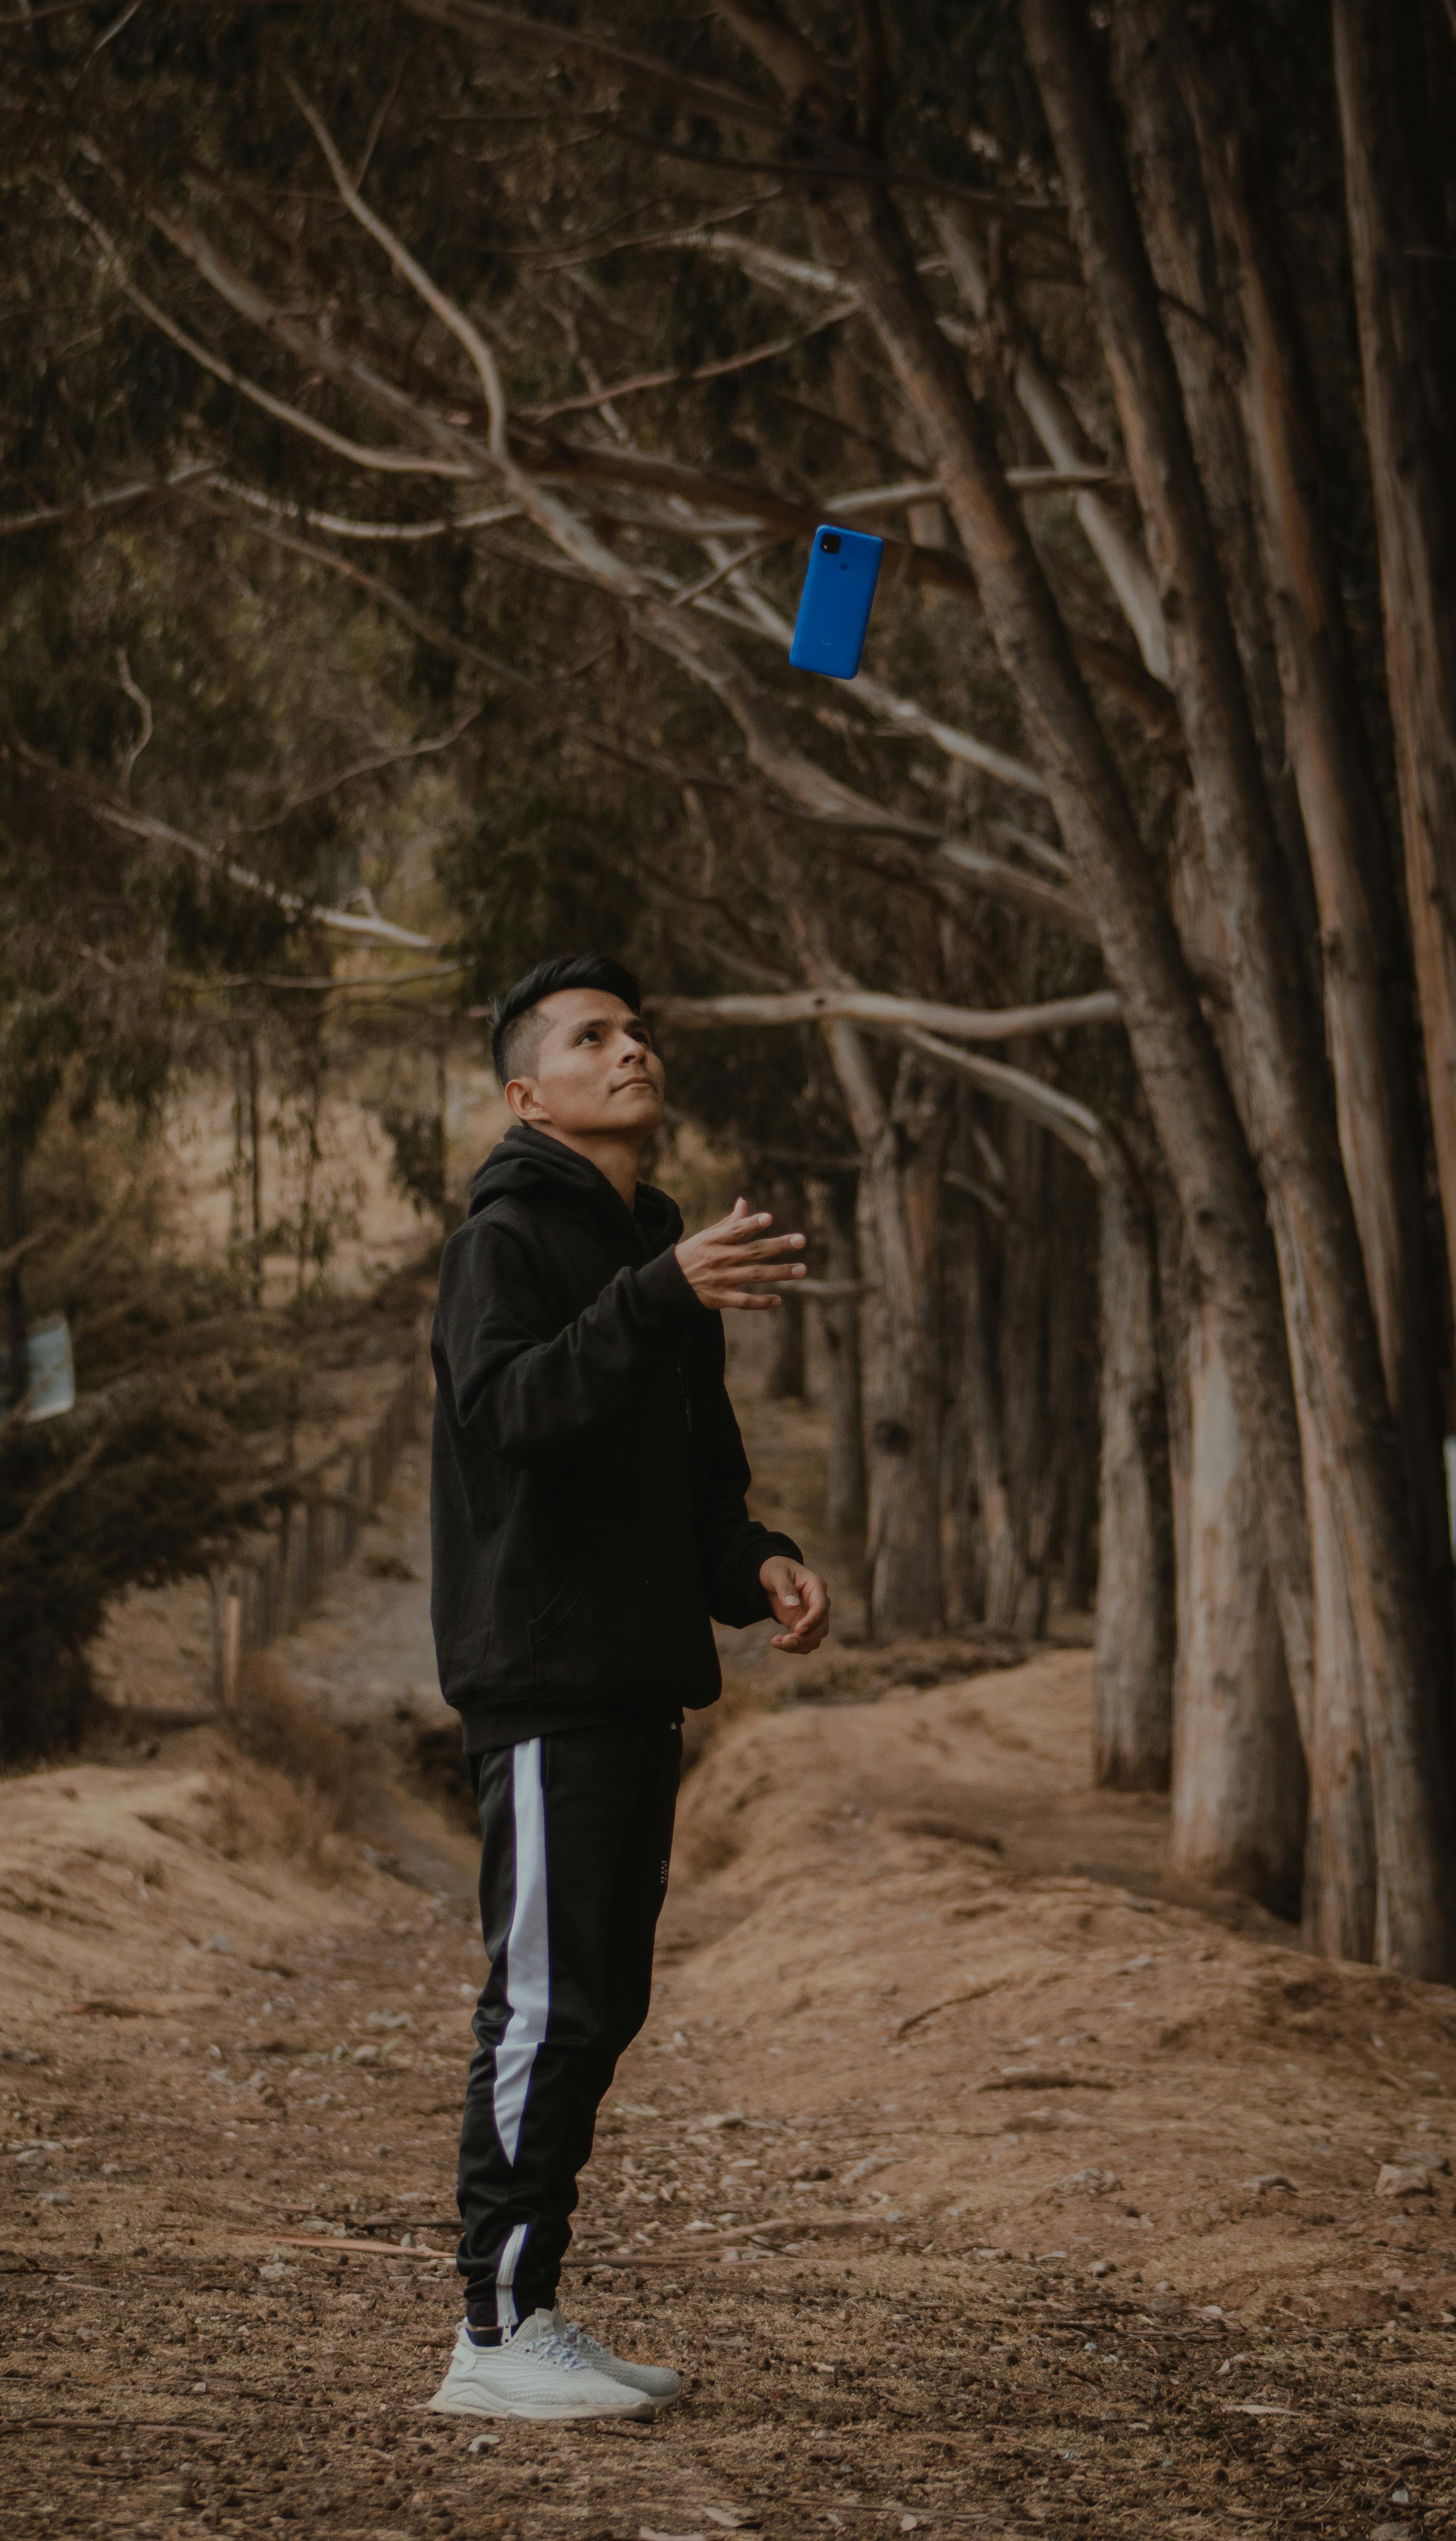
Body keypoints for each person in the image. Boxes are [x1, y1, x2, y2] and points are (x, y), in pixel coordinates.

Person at [426, 952, 830, 2423]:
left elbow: (696, 1480)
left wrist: (758, 1561)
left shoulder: (664, 1254)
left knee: (599, 2005)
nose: (631, 1049)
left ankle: (532, 2306)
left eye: (638, 1031)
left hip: (635, 1680)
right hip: (542, 1682)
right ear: (527, 1096)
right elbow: (507, 1412)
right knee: (542, 2003)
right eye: (591, 1037)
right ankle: (489, 2332)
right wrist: (654, 1295)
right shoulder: (504, 1243)